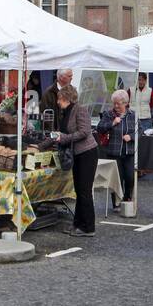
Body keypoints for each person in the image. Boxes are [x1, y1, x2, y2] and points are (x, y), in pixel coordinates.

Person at [54, 84, 98, 236]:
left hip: (87, 153)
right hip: (77, 154)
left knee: (84, 190)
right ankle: (78, 224)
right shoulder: (65, 112)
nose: (58, 102)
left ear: (65, 97)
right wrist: (40, 145)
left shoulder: (80, 109)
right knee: (79, 190)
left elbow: (85, 132)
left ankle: (88, 227)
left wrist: (64, 138)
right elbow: (61, 133)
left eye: (59, 98)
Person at [97, 89, 136, 208]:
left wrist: (131, 136)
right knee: (117, 178)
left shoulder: (132, 115)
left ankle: (127, 198)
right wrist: (112, 123)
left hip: (128, 151)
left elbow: (140, 131)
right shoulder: (108, 114)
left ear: (125, 103)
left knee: (129, 177)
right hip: (113, 152)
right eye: (114, 103)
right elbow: (100, 128)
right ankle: (116, 202)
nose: (115, 106)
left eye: (118, 103)